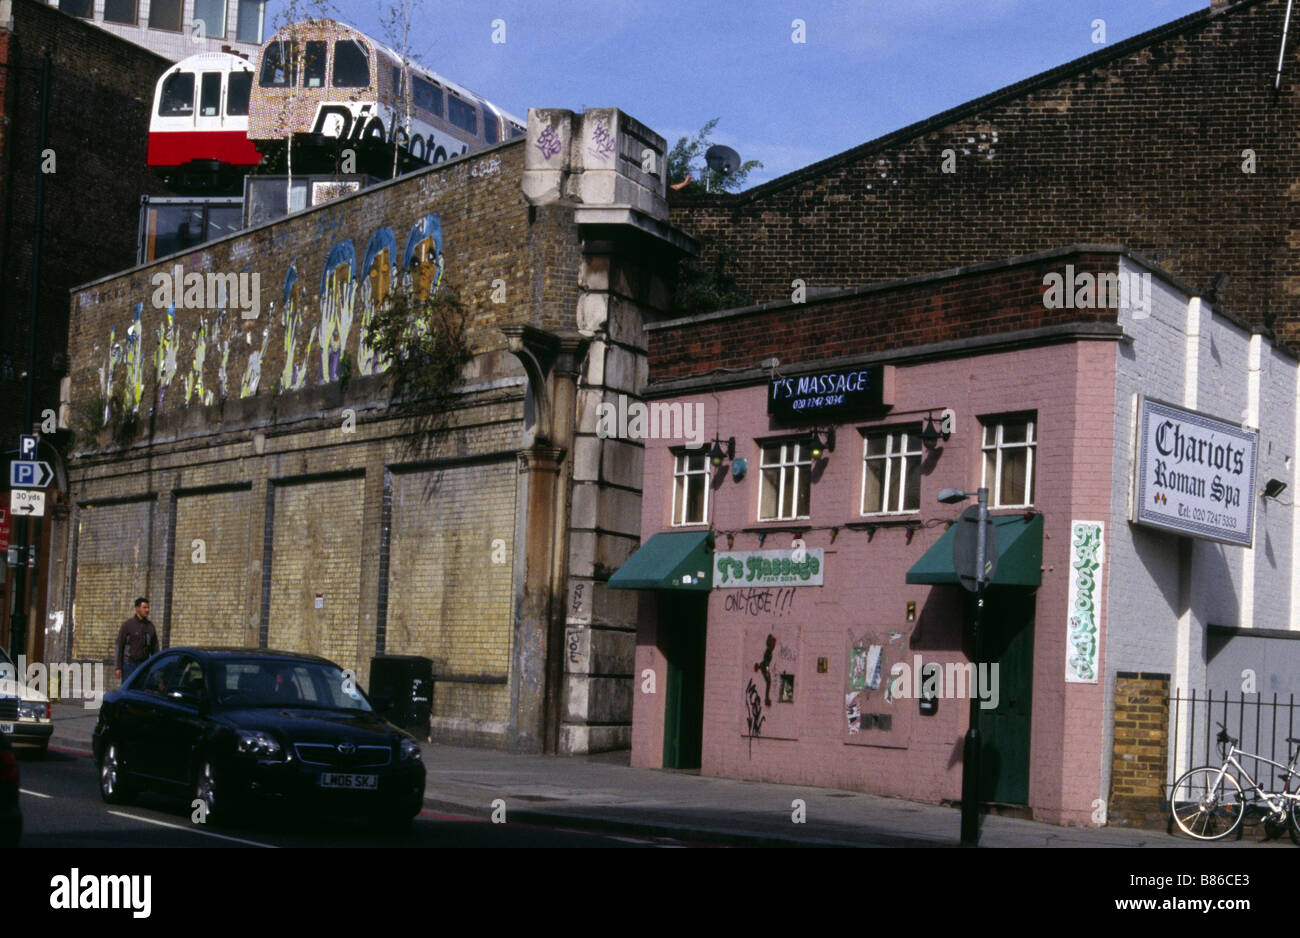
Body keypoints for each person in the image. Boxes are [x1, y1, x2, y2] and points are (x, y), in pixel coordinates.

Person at [114, 598, 158, 685]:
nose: (147, 610)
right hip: (129, 665)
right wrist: (117, 667)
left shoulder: (150, 627)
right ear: (137, 608)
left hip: (144, 666)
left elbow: (155, 648)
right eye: (144, 607)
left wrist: (157, 665)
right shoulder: (128, 625)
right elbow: (119, 646)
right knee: (128, 691)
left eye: (148, 608)